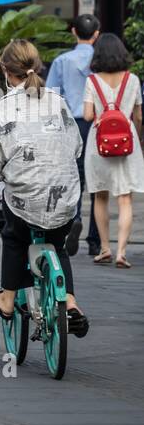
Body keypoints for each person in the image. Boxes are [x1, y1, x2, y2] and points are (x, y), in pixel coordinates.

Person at [0, 39, 88, 337]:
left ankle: (7, 298)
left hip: (26, 200)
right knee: (58, 244)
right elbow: (76, 147)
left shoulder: (2, 109)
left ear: (5, 70)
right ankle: (70, 303)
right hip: (66, 197)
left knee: (14, 237)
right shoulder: (58, 101)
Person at [82, 32, 144, 269]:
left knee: (100, 195)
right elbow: (138, 115)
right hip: (127, 142)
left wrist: (100, 113)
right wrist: (136, 136)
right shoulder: (133, 80)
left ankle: (105, 248)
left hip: (100, 142)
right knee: (125, 198)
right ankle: (121, 253)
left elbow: (88, 115)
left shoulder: (92, 81)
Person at [45, 13, 100, 257]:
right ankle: (97, 241)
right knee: (99, 181)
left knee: (74, 177)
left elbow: (51, 98)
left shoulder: (61, 61)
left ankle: (74, 219)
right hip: (99, 125)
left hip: (71, 124)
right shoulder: (104, 60)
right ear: (96, 34)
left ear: (74, 32)